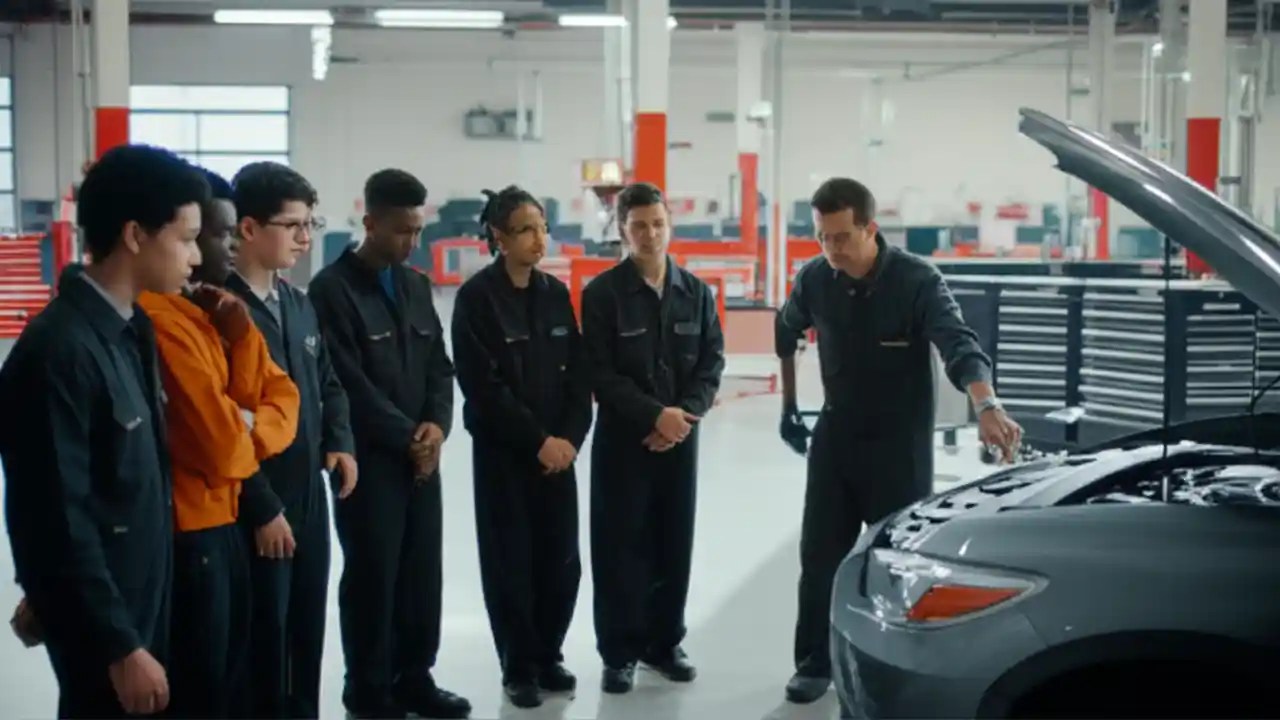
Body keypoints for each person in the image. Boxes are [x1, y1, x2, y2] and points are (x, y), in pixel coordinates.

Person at [775, 177, 1023, 704]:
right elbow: (787, 329)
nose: (831, 249)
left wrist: (987, 404)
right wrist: (789, 407)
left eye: (841, 237)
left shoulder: (917, 281)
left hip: (898, 445)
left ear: (870, 229)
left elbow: (960, 345)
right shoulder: (815, 279)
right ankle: (814, 663)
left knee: (899, 561)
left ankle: (897, 663)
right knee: (819, 557)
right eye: (822, 237)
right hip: (836, 438)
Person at [0, 145, 206, 717]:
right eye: (186, 238)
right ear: (136, 235)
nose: (196, 256)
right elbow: (53, 516)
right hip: (107, 628)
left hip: (140, 596)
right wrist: (118, 645)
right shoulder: (57, 353)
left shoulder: (131, 327)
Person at [309, 169, 470, 720]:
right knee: (374, 577)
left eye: (418, 230)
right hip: (369, 463)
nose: (412, 242)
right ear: (370, 222)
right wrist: (408, 436)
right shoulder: (331, 292)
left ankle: (415, 678)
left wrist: (437, 428)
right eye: (402, 231)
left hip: (422, 460)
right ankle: (369, 690)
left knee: (422, 574)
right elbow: (346, 382)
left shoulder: (417, 286)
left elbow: (439, 369)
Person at [135, 205, 301, 717]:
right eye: (214, 234)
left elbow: (278, 393)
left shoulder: (208, 313)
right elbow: (221, 444)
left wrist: (241, 334)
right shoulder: (162, 324)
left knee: (236, 676)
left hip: (223, 515)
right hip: (194, 531)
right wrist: (250, 426)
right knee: (204, 685)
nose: (226, 246)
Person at [580, 182, 726, 694]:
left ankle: (664, 644)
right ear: (622, 228)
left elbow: (712, 363)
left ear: (670, 226)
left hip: (680, 440)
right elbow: (599, 372)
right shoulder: (602, 295)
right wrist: (653, 416)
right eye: (638, 224)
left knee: (672, 542)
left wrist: (682, 416)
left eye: (658, 223)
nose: (649, 233)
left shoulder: (696, 293)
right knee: (620, 545)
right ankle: (618, 652)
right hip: (624, 443)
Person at [451, 186, 593, 708]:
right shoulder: (476, 300)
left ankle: (548, 653)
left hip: (560, 456)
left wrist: (571, 440)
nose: (539, 239)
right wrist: (538, 441)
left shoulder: (555, 294)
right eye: (526, 230)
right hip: (506, 457)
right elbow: (484, 387)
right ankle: (518, 664)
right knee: (511, 561)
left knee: (560, 561)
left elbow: (579, 375)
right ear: (499, 238)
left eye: (542, 228)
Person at [223, 162, 356, 719]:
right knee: (262, 640)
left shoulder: (297, 304)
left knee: (306, 629)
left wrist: (340, 439)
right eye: (294, 225)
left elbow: (327, 379)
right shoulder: (221, 314)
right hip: (257, 508)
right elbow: (219, 423)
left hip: (308, 498)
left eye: (311, 223)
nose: (307, 238)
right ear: (248, 229)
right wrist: (261, 506)